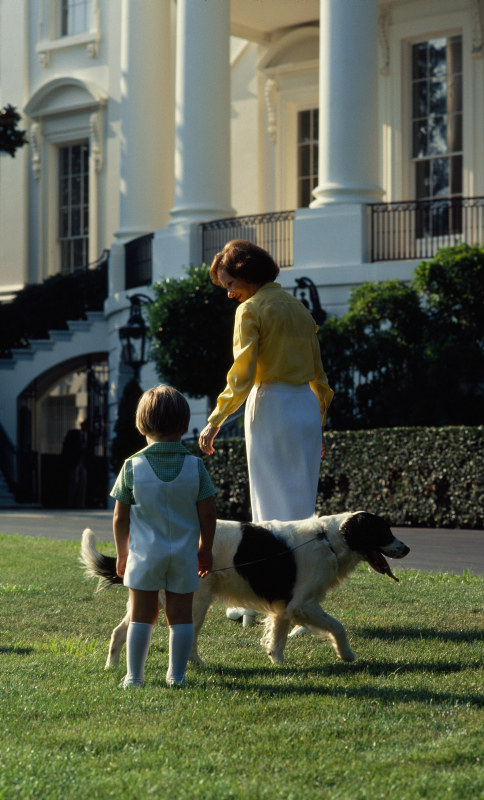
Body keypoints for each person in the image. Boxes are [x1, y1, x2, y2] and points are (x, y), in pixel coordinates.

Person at [198, 240, 333, 625]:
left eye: (229, 283)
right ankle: (299, 598)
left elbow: (241, 375)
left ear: (245, 274)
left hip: (271, 404)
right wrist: (318, 425)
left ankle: (259, 599)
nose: (228, 292)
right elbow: (320, 377)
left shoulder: (251, 310)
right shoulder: (300, 309)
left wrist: (216, 418)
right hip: (305, 408)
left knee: (269, 507)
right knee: (301, 508)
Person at [111, 385, 217, 689]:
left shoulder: (131, 466)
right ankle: (177, 676)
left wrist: (122, 553)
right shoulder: (196, 467)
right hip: (183, 556)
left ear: (141, 423)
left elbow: (120, 517)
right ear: (184, 425)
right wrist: (205, 549)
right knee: (180, 617)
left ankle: (134, 676)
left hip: (145, 555)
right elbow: (208, 514)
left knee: (142, 616)